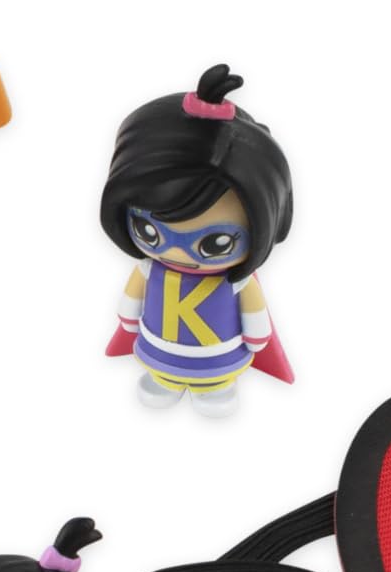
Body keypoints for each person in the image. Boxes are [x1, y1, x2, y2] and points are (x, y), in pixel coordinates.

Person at [98, 66, 295, 411]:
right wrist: (128, 319)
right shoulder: (149, 270)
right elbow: (131, 305)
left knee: (214, 387)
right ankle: (166, 382)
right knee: (162, 378)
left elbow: (256, 323)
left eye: (215, 243)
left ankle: (213, 389)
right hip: (160, 352)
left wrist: (256, 337)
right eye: (150, 231)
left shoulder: (237, 283)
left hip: (218, 359)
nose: (177, 252)